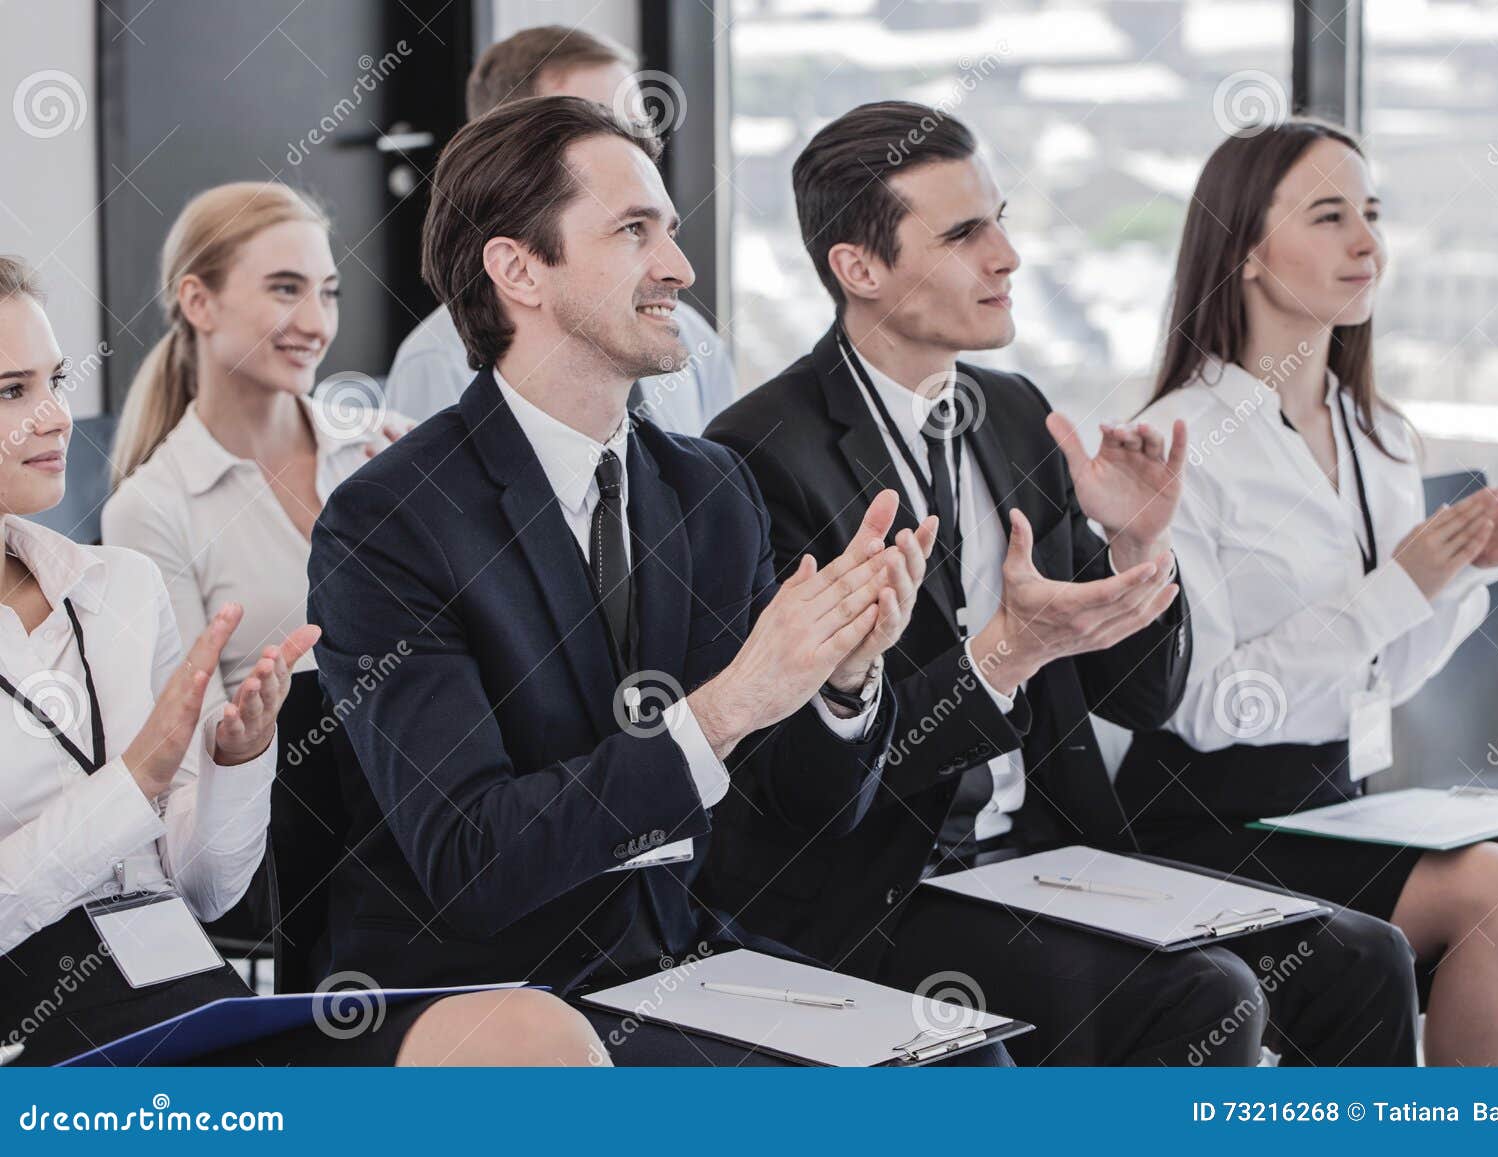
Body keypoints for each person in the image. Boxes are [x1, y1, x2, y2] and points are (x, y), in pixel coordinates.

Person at [703, 101, 1422, 1067]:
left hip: (1046, 856)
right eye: (964, 233)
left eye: (1000, 218)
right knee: (1204, 998)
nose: (1008, 255)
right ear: (859, 268)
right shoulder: (760, 453)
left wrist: (1133, 551)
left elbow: (1144, 695)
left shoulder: (1013, 411)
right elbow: (806, 787)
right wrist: (1003, 655)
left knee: (1364, 955)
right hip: (876, 882)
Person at [306, 97, 1003, 1067]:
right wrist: (722, 710)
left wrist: (842, 679)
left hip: (676, 954)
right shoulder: (389, 520)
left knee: (968, 1070)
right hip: (488, 989)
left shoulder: (709, 487)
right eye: (634, 230)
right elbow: (472, 860)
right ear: (518, 270)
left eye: (670, 230)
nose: (678, 266)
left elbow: (799, 814)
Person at [0, 256, 606, 1067]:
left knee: (540, 1036)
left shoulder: (117, 588)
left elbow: (210, 887)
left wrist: (237, 759)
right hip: (38, 1039)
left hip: (195, 1001)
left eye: (57, 379)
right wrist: (137, 779)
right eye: (13, 391)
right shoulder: (152, 523)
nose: (56, 417)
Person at [1115, 118, 1498, 1066]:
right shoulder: (1176, 445)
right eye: (1331, 216)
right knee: (1495, 889)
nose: (1369, 244)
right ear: (1247, 251)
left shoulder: (1377, 432)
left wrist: (1461, 574)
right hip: (1208, 816)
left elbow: (1380, 677)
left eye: (1372, 214)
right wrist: (1400, 585)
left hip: (1338, 796)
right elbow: (1208, 707)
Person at [104, 182, 402, 738]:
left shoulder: (387, 449)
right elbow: (195, 748)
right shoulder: (150, 510)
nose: (318, 325)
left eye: (329, 292)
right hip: (290, 811)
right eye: (286, 289)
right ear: (198, 302)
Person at [385, 24, 736, 433]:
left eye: (636, 129)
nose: (622, 147)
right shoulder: (438, 362)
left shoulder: (688, 338)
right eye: (583, 122)